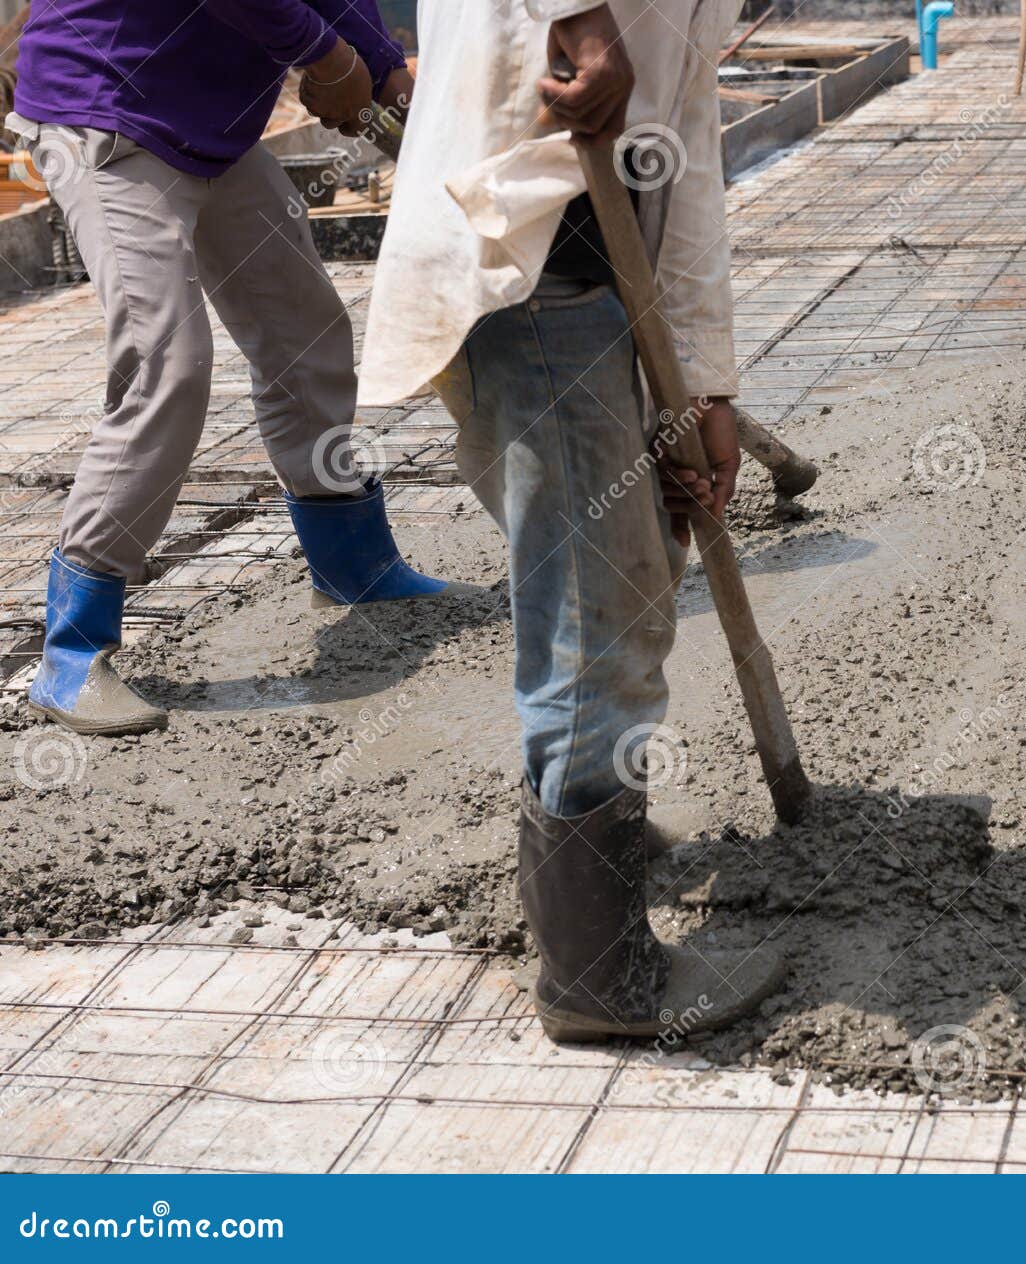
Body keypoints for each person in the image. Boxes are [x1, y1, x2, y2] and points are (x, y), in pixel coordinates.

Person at [360, 0, 785, 1042]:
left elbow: (680, 150)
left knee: (626, 583)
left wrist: (706, 388)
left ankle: (595, 849)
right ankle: (597, 971)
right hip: (531, 269)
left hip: (603, 268)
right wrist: (586, 19)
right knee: (598, 618)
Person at [8, 1, 470, 737]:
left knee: (305, 331)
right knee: (169, 365)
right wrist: (329, 57)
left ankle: (352, 567)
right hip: (108, 111)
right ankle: (71, 650)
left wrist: (380, 67)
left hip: (213, 127)